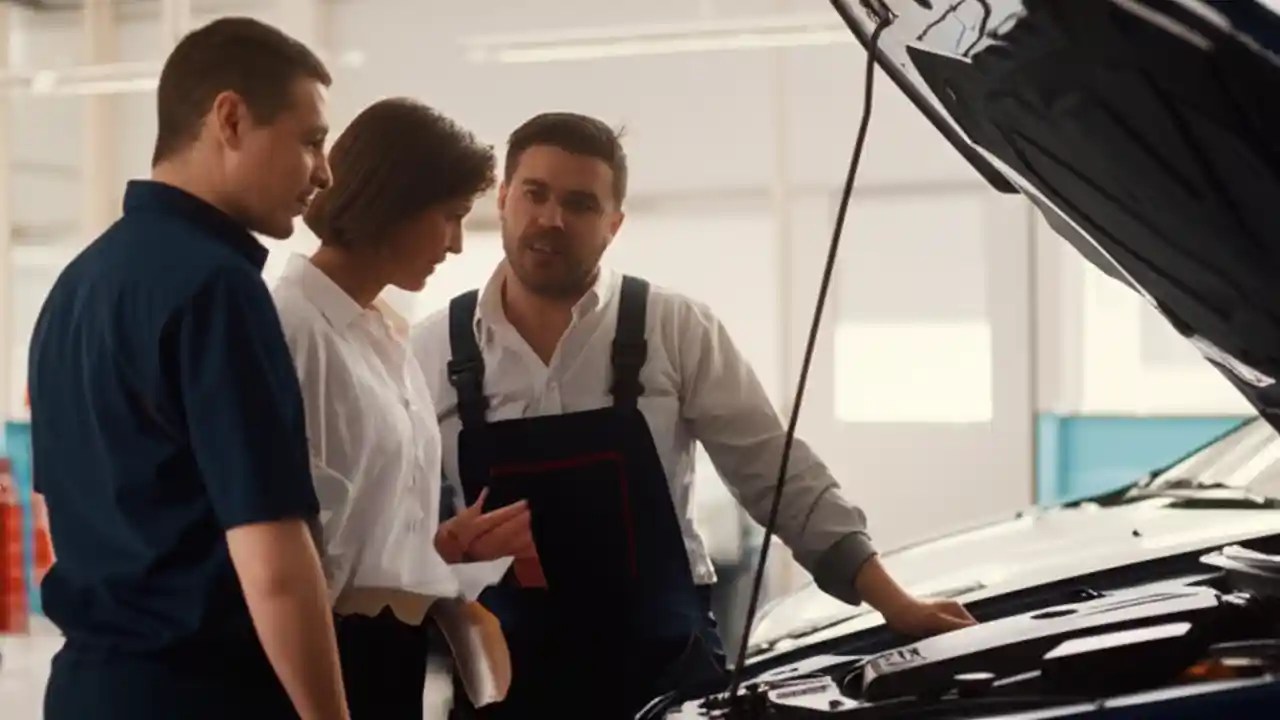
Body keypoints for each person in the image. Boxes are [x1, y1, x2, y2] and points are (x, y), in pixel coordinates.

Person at [411, 112, 979, 717]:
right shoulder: (432, 350)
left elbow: (775, 472)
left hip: (662, 673)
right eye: (535, 194)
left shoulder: (673, 328)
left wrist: (895, 603)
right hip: (505, 683)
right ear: (502, 199)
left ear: (613, 224)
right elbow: (390, 527)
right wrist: (438, 548)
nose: (551, 219)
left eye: (579, 204)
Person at [27, 18, 349, 720]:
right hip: (201, 693)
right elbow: (274, 564)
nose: (324, 173)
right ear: (229, 119)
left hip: (86, 689)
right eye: (311, 141)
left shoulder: (77, 286)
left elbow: (62, 513)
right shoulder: (217, 288)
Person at [270, 97, 530, 719]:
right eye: (450, 216)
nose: (458, 244)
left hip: (390, 650)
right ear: (392, 201)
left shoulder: (384, 335)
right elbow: (286, 541)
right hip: (320, 656)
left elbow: (351, 520)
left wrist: (434, 546)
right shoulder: (290, 329)